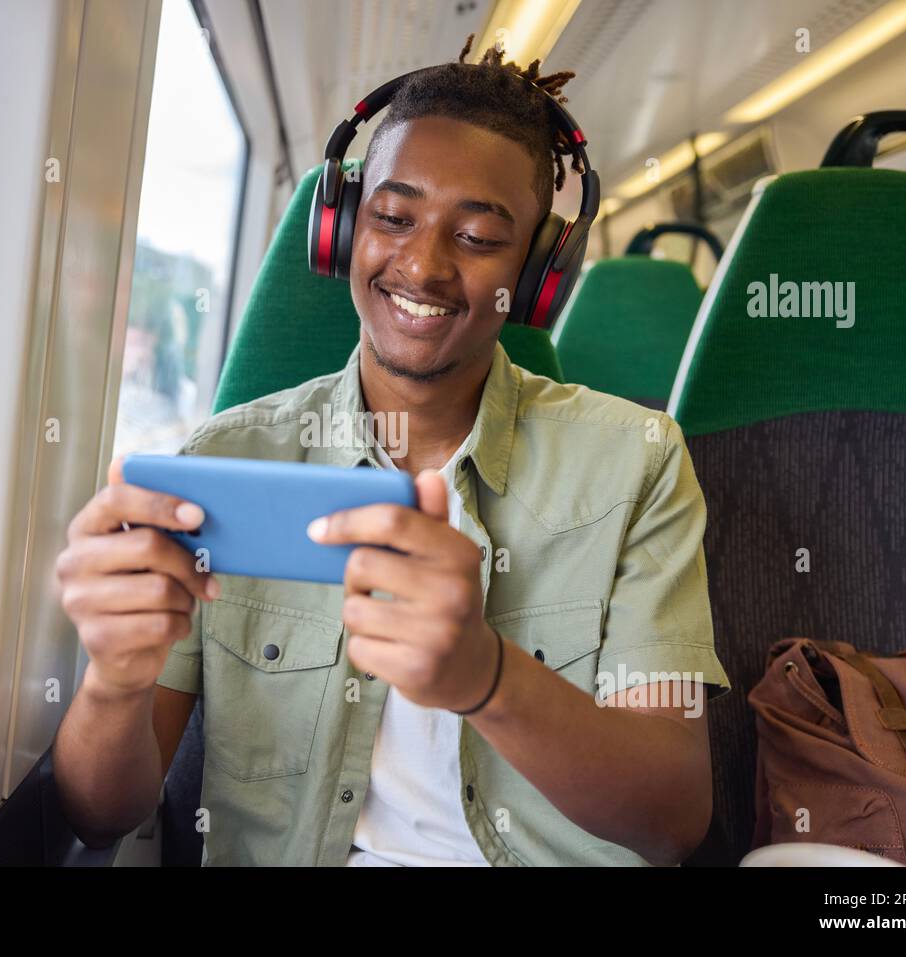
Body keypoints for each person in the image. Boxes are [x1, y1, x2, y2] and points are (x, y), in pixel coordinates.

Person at [51, 34, 730, 866]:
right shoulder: (231, 463)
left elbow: (673, 814)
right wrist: (113, 684)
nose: (424, 264)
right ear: (341, 231)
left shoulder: (638, 464)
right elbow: (100, 815)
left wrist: (486, 677)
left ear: (540, 268)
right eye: (393, 217)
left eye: (479, 237)